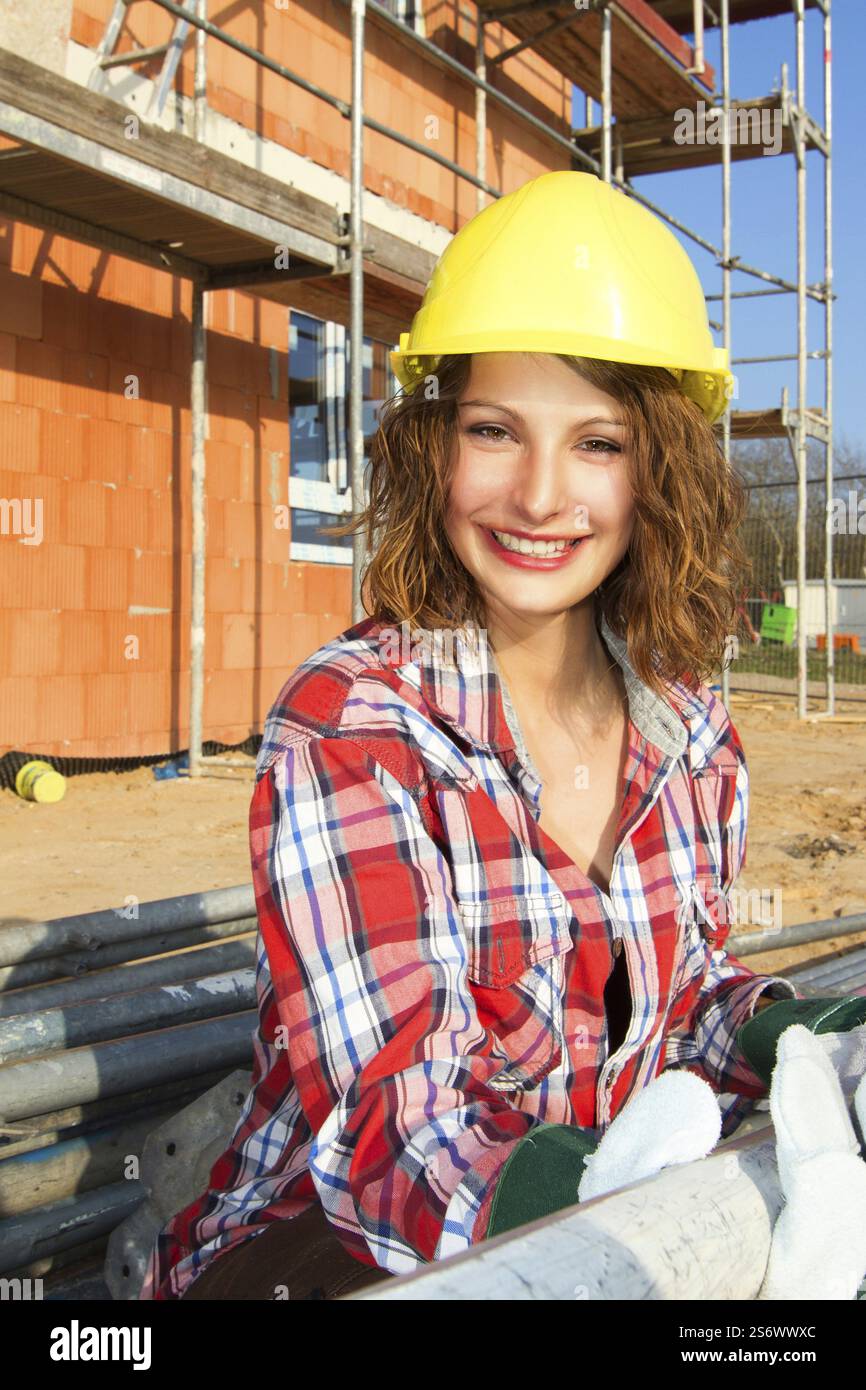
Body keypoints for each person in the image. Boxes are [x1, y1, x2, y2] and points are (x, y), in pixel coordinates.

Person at [139, 171, 866, 1302]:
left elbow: (672, 1002)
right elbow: (392, 1133)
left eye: (596, 443)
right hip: (324, 1253)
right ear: (434, 446)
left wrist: (804, 1042)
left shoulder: (691, 728)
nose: (538, 495)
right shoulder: (355, 734)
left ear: (656, 470)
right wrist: (624, 1235)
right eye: (493, 430)